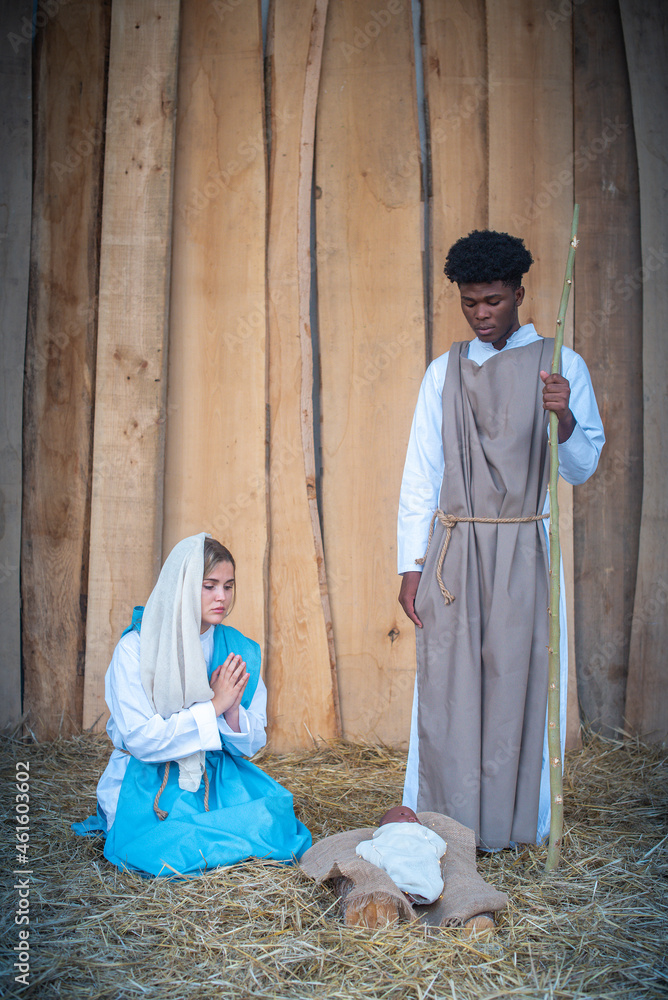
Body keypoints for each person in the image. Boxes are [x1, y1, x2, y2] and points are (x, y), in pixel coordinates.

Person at [397, 230, 604, 851]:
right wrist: (412, 565)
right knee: (449, 685)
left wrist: (563, 418)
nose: (481, 313)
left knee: (520, 682)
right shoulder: (444, 372)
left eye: (492, 300)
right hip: (455, 552)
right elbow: (420, 475)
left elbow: (582, 466)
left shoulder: (561, 363)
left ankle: (522, 826)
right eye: (469, 302)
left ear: (519, 292)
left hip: (523, 551)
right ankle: (444, 825)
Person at [73, 533, 311, 876]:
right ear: (182, 585)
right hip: (146, 780)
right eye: (209, 585)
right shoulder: (136, 650)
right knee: (169, 850)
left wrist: (232, 712)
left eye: (228, 586)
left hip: (215, 776)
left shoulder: (237, 649)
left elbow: (253, 741)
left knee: (274, 827)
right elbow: (141, 739)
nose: (222, 597)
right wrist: (215, 706)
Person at [355, 805, 447, 905]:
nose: (412, 818)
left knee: (428, 865)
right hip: (394, 856)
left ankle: (415, 894)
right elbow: (369, 847)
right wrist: (378, 859)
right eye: (403, 814)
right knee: (393, 863)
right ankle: (402, 894)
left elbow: (438, 842)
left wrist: (433, 851)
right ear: (385, 823)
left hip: (421, 855)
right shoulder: (385, 834)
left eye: (416, 818)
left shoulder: (421, 830)